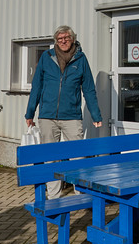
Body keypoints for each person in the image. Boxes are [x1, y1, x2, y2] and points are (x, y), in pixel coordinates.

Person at [24, 26, 102, 199]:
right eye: (60, 39)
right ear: (55, 41)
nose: (63, 41)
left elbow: (88, 89)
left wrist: (95, 114)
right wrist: (30, 113)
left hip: (72, 117)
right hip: (47, 117)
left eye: (66, 38)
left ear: (73, 38)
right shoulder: (46, 57)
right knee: (51, 157)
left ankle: (80, 193)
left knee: (77, 156)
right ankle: (53, 196)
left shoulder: (80, 59)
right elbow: (36, 86)